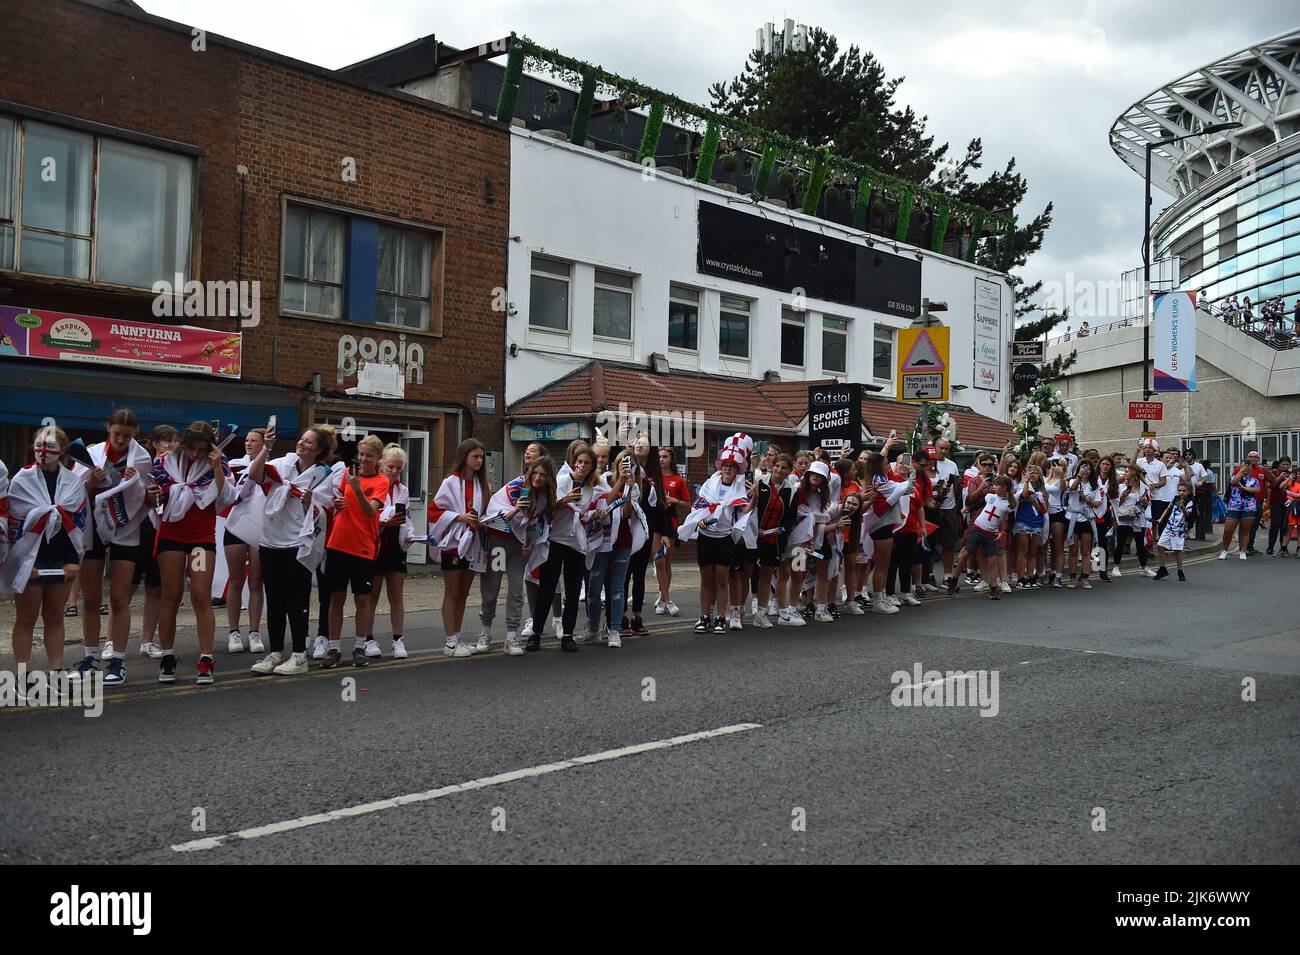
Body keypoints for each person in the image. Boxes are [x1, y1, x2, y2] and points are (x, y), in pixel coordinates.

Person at [246, 424, 339, 675]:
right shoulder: (281, 464)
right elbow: (254, 475)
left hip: (298, 544)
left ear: (318, 450)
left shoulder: (323, 474)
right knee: (274, 599)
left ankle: (299, 655)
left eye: (308, 442)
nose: (301, 444)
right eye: (301, 439)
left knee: (296, 600)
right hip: (270, 540)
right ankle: (275, 652)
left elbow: (327, 509)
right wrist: (266, 447)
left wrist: (312, 502)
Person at [3, 428, 89, 697]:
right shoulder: (21, 480)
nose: (42, 450)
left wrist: (73, 561)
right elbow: (14, 524)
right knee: (26, 618)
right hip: (31, 559)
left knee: (54, 617)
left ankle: (56, 671)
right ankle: (23, 674)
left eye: (49, 445)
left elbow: (78, 524)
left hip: (61, 560)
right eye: (38, 444)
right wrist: (24, 565)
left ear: (62, 450)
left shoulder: (73, 483)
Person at [72, 409, 153, 684]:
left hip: (125, 529)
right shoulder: (91, 453)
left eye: (127, 436)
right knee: (91, 598)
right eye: (117, 434)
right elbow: (72, 492)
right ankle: (90, 657)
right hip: (93, 529)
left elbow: (150, 501)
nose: (121, 440)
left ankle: (117, 661)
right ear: (108, 428)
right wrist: (90, 482)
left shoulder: (141, 457)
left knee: (119, 598)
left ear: (135, 434)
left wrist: (138, 485)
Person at [152, 421, 234, 685]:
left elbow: (227, 498)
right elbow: (154, 496)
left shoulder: (216, 462)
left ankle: (206, 658)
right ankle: (167, 656)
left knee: (201, 596)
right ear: (184, 444)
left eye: (201, 450)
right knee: (171, 596)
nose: (195, 455)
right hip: (171, 535)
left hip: (200, 539)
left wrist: (217, 466)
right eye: (192, 449)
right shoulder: (165, 462)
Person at [482, 455, 556, 653]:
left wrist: (530, 542)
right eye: (536, 473)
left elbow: (536, 523)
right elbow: (500, 513)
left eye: (543, 475)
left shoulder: (544, 497)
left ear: (549, 478)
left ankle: (511, 637)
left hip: (518, 546)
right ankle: (485, 632)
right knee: (492, 588)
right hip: (499, 541)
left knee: (516, 590)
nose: (538, 478)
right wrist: (516, 510)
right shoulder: (517, 486)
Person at [428, 438, 491, 657]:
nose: (479, 461)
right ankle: (450, 641)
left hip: (473, 543)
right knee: (452, 592)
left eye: (482, 457)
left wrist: (482, 521)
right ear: (464, 457)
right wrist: (459, 517)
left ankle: (457, 636)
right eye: (475, 456)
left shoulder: (483, 485)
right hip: (454, 544)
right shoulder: (451, 482)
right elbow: (434, 511)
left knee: (464, 594)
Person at [680, 448, 748, 633]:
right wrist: (699, 520)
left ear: (737, 471)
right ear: (720, 467)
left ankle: (720, 617)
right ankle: (703, 616)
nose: (728, 469)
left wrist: (755, 496)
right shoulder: (709, 484)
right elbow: (699, 506)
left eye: (732, 467)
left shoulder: (740, 489)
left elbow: (746, 510)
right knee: (706, 579)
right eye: (725, 465)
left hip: (724, 538)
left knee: (722, 580)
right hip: (706, 537)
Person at [585, 449, 639, 647]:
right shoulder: (602, 482)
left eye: (631, 466)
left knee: (617, 589)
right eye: (623, 465)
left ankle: (614, 629)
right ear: (616, 465)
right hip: (601, 541)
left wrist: (629, 489)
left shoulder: (634, 487)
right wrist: (620, 483)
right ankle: (593, 629)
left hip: (622, 543)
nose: (626, 469)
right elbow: (605, 504)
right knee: (594, 586)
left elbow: (626, 514)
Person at [221, 427, 266, 656]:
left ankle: (255, 631)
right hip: (236, 524)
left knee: (256, 581)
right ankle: (233, 632)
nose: (248, 443)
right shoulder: (235, 464)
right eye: (247, 440)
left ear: (263, 443)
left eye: (254, 441)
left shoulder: (271, 466)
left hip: (259, 526)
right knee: (236, 580)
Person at [370, 444, 414, 658]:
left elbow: (405, 518)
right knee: (372, 595)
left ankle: (398, 639)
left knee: (396, 594)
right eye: (390, 467)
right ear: (381, 465)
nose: (394, 472)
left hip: (395, 543)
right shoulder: (372, 485)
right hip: (375, 542)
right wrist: (384, 518)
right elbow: (368, 516)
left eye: (398, 468)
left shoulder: (402, 489)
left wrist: (409, 534)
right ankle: (367, 638)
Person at [747, 453, 799, 628]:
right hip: (751, 536)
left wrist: (779, 530)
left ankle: (760, 615)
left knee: (766, 577)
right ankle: (735, 612)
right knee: (742, 575)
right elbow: (747, 506)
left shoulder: (791, 490)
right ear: (772, 465)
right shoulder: (759, 481)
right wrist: (756, 529)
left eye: (783, 467)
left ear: (789, 471)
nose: (779, 470)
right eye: (777, 466)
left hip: (773, 539)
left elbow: (791, 519)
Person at [653, 446, 688, 616]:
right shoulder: (652, 478)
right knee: (658, 561)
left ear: (671, 459)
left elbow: (687, 503)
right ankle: (664, 599)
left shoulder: (678, 480)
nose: (661, 459)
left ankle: (663, 596)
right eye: (659, 456)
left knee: (666, 562)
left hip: (671, 522)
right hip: (655, 524)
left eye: (665, 456)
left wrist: (675, 500)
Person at [967, 476, 1014, 600]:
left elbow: (1012, 519)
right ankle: (985, 580)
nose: (993, 486)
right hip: (982, 522)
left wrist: (1003, 532)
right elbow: (974, 501)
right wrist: (969, 508)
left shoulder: (1009, 501)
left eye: (989, 464)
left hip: (998, 524)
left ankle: (1003, 580)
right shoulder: (989, 494)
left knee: (1000, 551)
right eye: (984, 464)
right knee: (982, 553)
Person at [1218, 451, 1266, 560]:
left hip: (1249, 507)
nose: (1246, 468)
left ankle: (1242, 551)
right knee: (1228, 530)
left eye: (1248, 466)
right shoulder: (1235, 475)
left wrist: (1244, 488)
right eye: (1244, 465)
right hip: (1234, 506)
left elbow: (1256, 490)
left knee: (1245, 530)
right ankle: (1225, 550)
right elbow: (1234, 482)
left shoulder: (1254, 480)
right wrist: (1241, 470)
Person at [1064, 461, 1102, 589]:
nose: (1086, 470)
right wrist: (1079, 476)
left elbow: (1097, 503)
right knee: (1073, 550)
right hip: (1072, 517)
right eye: (1083, 468)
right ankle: (1072, 578)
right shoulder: (1073, 481)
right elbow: (1072, 489)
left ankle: (1085, 577)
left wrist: (1087, 499)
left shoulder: (1094, 485)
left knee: (1086, 551)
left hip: (1086, 518)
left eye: (1088, 469)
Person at [1112, 467, 1155, 578]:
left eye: (1127, 472)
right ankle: (1116, 567)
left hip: (1137, 517)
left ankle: (1145, 568)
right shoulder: (1121, 487)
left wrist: (1145, 502)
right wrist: (1122, 497)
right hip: (1125, 517)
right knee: (1121, 542)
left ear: (1133, 474)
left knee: (1140, 544)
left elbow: (1146, 505)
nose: (1124, 474)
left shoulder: (1143, 488)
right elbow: (1116, 504)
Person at [1012, 465, 1047, 588]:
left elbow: (1043, 509)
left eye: (1035, 473)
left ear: (1039, 477)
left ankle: (1030, 576)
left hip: (1037, 522)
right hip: (1023, 522)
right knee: (1023, 551)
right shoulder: (1022, 486)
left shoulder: (1042, 491)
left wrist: (1034, 501)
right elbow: (1024, 495)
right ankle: (1021, 577)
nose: (1032, 475)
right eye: (1030, 473)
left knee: (1033, 552)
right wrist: (1026, 481)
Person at [1153, 482, 1194, 581]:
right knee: (1160, 546)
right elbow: (1168, 509)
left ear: (1188, 492)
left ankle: (1180, 571)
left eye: (1184, 491)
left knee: (1177, 550)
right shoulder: (1175, 499)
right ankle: (1162, 568)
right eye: (1179, 490)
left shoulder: (1189, 502)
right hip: (1169, 526)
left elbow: (1187, 515)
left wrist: (1182, 506)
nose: (1181, 493)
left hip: (1179, 529)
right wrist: (1160, 519)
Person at [1265, 457, 1293, 556]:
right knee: (1275, 525)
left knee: (1284, 526)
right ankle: (1270, 547)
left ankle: (1283, 547)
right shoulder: (1274, 472)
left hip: (1288, 502)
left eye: (1287, 465)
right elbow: (1270, 486)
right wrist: (1280, 477)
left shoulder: (1291, 475)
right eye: (1283, 464)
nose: (1285, 467)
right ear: (1279, 464)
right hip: (1275, 502)